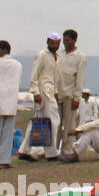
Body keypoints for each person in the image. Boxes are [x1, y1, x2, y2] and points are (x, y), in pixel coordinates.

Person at [16, 33, 61, 162]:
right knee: (53, 121)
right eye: (52, 43)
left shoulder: (56, 57)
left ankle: (24, 150)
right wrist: (35, 92)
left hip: (50, 92)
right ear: (47, 42)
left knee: (37, 122)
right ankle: (51, 153)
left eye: (57, 43)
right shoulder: (42, 55)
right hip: (43, 93)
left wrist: (56, 91)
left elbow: (54, 77)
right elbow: (34, 75)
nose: (55, 45)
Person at [51, 29, 88, 162]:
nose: (66, 43)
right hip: (57, 93)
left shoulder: (80, 57)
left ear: (74, 40)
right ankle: (53, 150)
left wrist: (77, 97)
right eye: (64, 40)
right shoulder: (58, 54)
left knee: (69, 125)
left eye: (68, 40)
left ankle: (66, 150)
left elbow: (80, 79)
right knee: (56, 123)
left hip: (70, 95)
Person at [0, 41, 20, 168]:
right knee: (8, 134)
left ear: (2, 50)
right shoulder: (18, 65)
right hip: (11, 103)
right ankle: (5, 161)